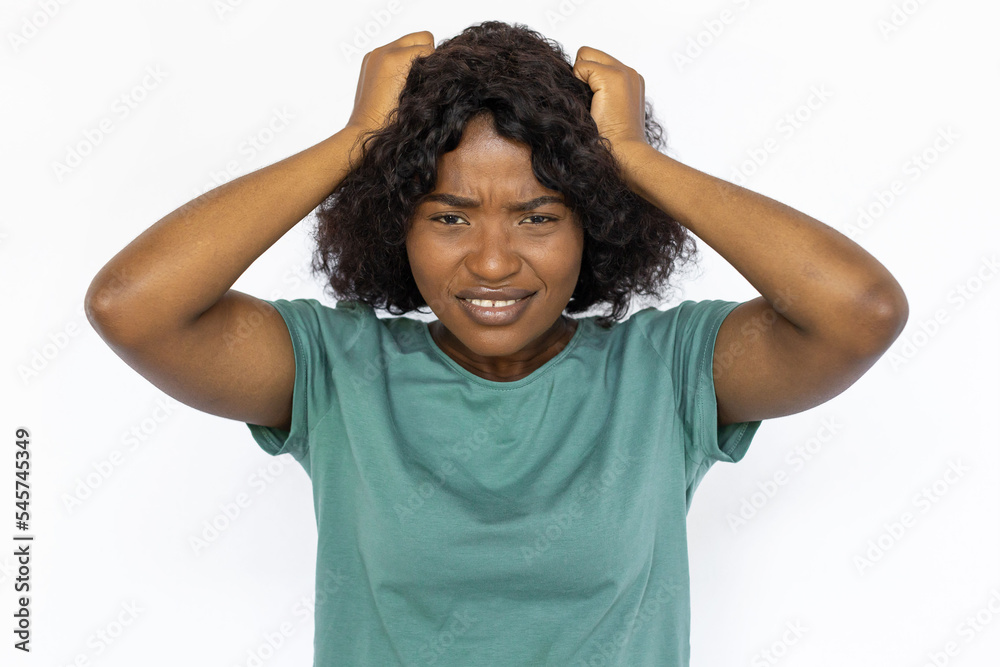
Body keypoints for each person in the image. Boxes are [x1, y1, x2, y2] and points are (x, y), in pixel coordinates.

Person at [85, 20, 908, 667]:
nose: (490, 260)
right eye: (448, 215)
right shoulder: (338, 371)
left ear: (597, 222)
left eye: (538, 215)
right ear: (394, 226)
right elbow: (132, 305)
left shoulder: (667, 372)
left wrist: (628, 155)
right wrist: (357, 140)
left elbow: (861, 309)